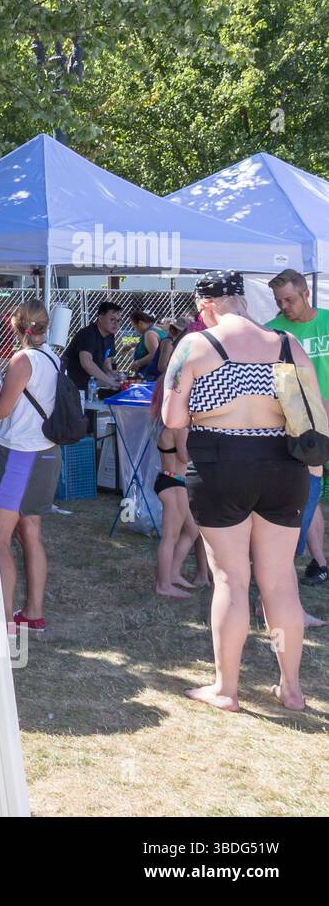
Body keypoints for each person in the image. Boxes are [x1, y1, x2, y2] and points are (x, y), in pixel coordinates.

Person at [163, 270, 308, 712]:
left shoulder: (195, 345)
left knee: (231, 578)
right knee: (280, 583)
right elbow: (313, 407)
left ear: (204, 306)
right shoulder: (286, 343)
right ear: (242, 300)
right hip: (285, 465)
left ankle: (226, 690)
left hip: (221, 465)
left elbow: (172, 418)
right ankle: (291, 687)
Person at [0, 301, 61, 634]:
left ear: (16, 324)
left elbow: (4, 410)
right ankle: (33, 613)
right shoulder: (54, 357)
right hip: (45, 452)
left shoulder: (23, 360)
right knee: (31, 532)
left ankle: (4, 619)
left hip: (20, 455)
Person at [266, 268, 329, 587]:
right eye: (279, 301)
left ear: (306, 294)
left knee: (312, 493)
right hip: (303, 431)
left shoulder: (328, 321)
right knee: (308, 493)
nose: (284, 306)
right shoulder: (272, 332)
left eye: (289, 299)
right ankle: (315, 562)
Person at [148, 378, 207, 598]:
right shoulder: (180, 426)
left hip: (172, 481)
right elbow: (184, 456)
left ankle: (173, 573)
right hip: (173, 483)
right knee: (169, 537)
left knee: (192, 530)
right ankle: (163, 584)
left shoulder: (165, 423)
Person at [62, 301, 123, 394]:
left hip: (90, 385)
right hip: (72, 387)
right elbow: (86, 363)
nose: (116, 324)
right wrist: (108, 381)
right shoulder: (88, 334)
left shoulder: (110, 335)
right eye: (112, 319)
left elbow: (106, 361)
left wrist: (112, 375)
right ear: (100, 318)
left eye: (118, 320)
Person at [127, 310, 171, 380]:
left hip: (151, 375)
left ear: (140, 323)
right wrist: (134, 345)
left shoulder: (149, 333)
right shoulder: (158, 329)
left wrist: (138, 363)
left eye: (134, 326)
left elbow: (154, 354)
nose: (135, 329)